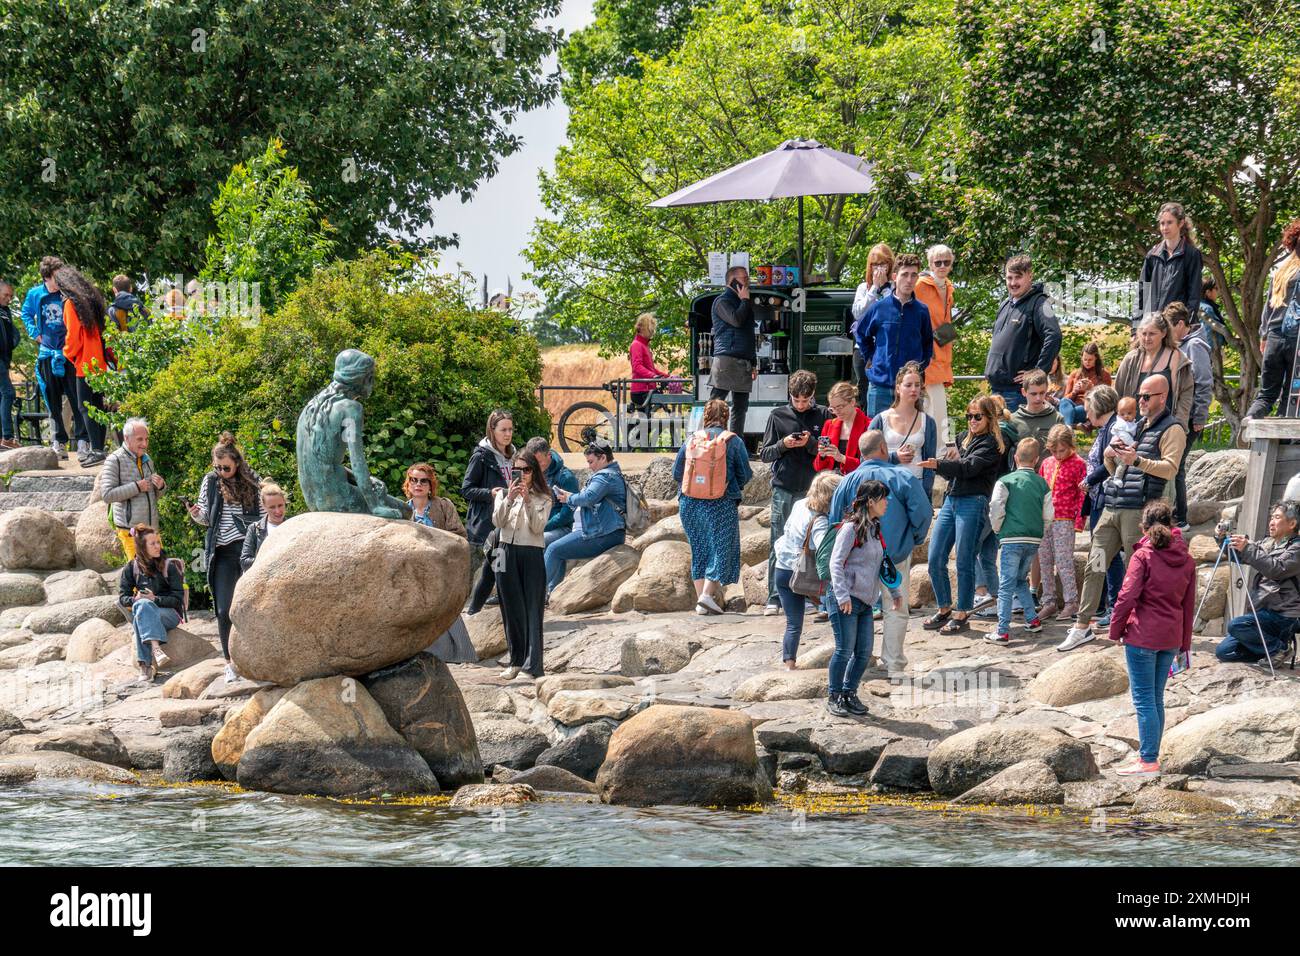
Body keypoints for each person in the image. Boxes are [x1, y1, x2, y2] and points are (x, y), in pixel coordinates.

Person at [1060, 374, 1186, 652]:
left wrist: (1137, 460)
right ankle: (1082, 626)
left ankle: (1137, 625)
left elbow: (1170, 469)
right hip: (1112, 505)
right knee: (1095, 565)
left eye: (1146, 396)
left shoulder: (1172, 428)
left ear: (1162, 397)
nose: (1140, 401)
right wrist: (1110, 454)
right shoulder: (1134, 425)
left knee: (1135, 570)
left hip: (1139, 510)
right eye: (1140, 395)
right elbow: (1113, 463)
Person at [830, 430, 932, 676]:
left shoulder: (847, 481)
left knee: (856, 609)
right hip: (894, 555)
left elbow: (835, 521)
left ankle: (858, 663)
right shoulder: (902, 477)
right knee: (895, 607)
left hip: (855, 562)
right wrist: (914, 539)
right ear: (884, 449)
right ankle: (893, 663)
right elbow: (923, 512)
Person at [1108, 500, 1196, 776]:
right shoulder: (1188, 558)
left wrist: (1115, 629)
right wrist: (1184, 644)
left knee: (1145, 700)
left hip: (1142, 636)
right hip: (1169, 638)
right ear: (1172, 524)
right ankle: (1150, 756)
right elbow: (1188, 605)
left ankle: (1147, 760)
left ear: (1143, 526)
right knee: (1156, 699)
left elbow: (1127, 596)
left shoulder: (1142, 556)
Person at [920, 394, 1006, 634]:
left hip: (973, 502)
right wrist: (945, 464)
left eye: (977, 416)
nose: (972, 420)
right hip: (952, 500)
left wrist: (940, 465)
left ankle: (962, 613)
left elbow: (969, 469)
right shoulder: (961, 439)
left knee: (965, 558)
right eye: (969, 416)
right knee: (935, 556)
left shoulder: (991, 444)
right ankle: (945, 607)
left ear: (989, 418)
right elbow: (954, 473)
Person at [187, 432, 264, 682]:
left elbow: (265, 511)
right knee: (223, 609)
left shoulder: (252, 479)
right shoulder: (210, 482)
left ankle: (258, 657)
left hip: (247, 549)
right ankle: (229, 661)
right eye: (217, 467)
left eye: (226, 467)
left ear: (237, 463)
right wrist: (196, 513)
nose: (221, 471)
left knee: (252, 606)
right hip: (222, 553)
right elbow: (207, 519)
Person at [826, 480, 905, 717]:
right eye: (883, 498)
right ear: (870, 501)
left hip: (865, 601)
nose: (887, 503)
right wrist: (842, 596)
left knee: (863, 652)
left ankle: (849, 693)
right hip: (846, 599)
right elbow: (835, 563)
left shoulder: (874, 527)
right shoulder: (850, 528)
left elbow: (883, 563)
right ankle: (834, 695)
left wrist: (895, 592)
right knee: (844, 650)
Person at [758, 369, 829, 614]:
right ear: (790, 394)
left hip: (813, 490)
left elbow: (825, 451)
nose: (800, 405)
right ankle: (775, 596)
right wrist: (783, 444)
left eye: (805, 400)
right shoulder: (777, 415)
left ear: (812, 395)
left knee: (811, 543)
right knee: (778, 540)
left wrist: (809, 442)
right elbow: (765, 454)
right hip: (784, 487)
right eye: (796, 399)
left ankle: (810, 594)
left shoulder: (823, 413)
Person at [673, 398, 752, 615]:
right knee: (720, 549)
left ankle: (702, 601)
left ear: (704, 417)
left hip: (689, 503)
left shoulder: (692, 439)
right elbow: (745, 473)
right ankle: (706, 597)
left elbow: (676, 472)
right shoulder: (733, 441)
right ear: (726, 417)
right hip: (720, 502)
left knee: (699, 549)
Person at [1216, 501, 1300, 665]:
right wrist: (1223, 539)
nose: (1271, 522)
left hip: (1283, 615)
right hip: (1264, 613)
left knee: (1236, 626)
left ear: (1292, 523)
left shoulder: (1297, 548)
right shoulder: (1269, 543)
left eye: (1277, 517)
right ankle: (1270, 651)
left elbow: (1276, 569)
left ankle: (1279, 649)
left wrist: (1247, 548)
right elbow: (1239, 557)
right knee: (1224, 652)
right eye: (1271, 517)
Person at [772, 471, 841, 668]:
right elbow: (824, 552)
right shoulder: (820, 521)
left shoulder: (799, 504)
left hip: (783, 568)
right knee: (839, 613)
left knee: (793, 623)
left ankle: (789, 664)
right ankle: (843, 653)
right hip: (804, 573)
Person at [493, 448, 552, 680]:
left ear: (534, 472)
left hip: (531, 554)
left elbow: (538, 528)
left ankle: (533, 665)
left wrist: (527, 500)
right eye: (517, 470)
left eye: (526, 470)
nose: (522, 474)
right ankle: (515, 660)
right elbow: (497, 521)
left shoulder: (544, 498)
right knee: (509, 609)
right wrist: (509, 498)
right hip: (504, 550)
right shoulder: (503, 494)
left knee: (532, 609)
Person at [21, 255, 87, 460]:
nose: (56, 283)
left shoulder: (68, 293)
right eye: (52, 279)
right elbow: (25, 313)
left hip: (69, 353)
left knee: (77, 399)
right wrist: (34, 332)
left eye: (59, 278)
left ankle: (83, 441)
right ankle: (59, 442)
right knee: (52, 400)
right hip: (47, 353)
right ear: (45, 278)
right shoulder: (35, 294)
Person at [987, 438, 1052, 643]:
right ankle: (1032, 620)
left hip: (1011, 537)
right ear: (1037, 460)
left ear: (1015, 458)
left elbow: (996, 507)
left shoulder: (1005, 481)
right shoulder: (1043, 483)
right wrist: (1040, 531)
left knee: (1006, 584)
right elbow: (1049, 514)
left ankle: (1002, 630)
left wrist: (998, 529)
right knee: (1019, 581)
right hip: (1033, 539)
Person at [854, 253, 933, 416]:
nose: (909, 280)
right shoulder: (879, 307)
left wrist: (918, 368)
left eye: (913, 275)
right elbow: (861, 333)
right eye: (905, 275)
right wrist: (872, 360)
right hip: (880, 386)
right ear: (895, 277)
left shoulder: (922, 311)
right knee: (876, 438)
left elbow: (927, 345)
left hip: (910, 389)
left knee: (911, 438)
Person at [545, 438, 627, 594]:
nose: (589, 466)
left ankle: (531, 593)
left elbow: (588, 498)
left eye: (591, 462)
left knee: (554, 549)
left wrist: (570, 497)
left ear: (603, 457)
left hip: (603, 535)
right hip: (607, 532)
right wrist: (570, 497)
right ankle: (550, 593)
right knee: (558, 548)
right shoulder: (612, 474)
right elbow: (587, 499)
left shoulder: (605, 476)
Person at [984, 254, 1061, 413]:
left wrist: (1039, 372)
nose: (1013, 283)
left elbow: (1054, 336)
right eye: (1009, 278)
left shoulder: (1040, 303)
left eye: (1018, 277)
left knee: (1016, 438)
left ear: (1030, 275)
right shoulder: (1005, 304)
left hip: (1017, 393)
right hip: (995, 390)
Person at [1080, 386, 1127, 628]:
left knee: (1108, 556)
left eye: (1089, 408)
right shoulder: (1105, 428)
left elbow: (1111, 462)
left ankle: (1114, 604)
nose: (1086, 414)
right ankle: (1102, 603)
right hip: (1099, 499)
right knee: (1101, 556)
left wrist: (1089, 480)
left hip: (1107, 498)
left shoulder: (1115, 428)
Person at [1244, 218, 1300, 419]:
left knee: (1266, 394)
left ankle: (1249, 421)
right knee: (1292, 393)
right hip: (1296, 338)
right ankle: (1285, 440)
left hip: (1273, 338)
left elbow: (1269, 306)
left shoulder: (1281, 270)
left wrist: (1264, 336)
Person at [56, 265, 111, 466]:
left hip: (85, 363)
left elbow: (73, 338)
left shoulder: (71, 304)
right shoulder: (92, 300)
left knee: (85, 407)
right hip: (100, 363)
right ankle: (100, 448)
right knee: (98, 406)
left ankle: (96, 450)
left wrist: (67, 354)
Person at [462, 410, 514, 613]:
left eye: (510, 429)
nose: (508, 434)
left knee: (495, 569)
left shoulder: (514, 454)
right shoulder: (481, 456)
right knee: (497, 567)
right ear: (492, 430)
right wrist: (490, 493)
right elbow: (466, 489)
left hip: (511, 520)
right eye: (503, 430)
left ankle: (475, 610)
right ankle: (480, 610)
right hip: (490, 522)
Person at [119, 524, 185, 682]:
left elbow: (178, 599)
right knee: (141, 606)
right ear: (142, 547)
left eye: (158, 542)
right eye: (153, 543)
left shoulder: (169, 566)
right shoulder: (131, 567)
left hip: (169, 614)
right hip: (146, 612)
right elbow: (122, 597)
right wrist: (135, 599)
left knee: (140, 614)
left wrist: (155, 599)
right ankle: (156, 649)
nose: (157, 546)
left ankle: (145, 666)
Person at [1166, 302, 1212, 529]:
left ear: (1181, 324)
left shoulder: (1195, 346)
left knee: (1176, 465)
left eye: (1169, 327)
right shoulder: (1180, 345)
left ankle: (1179, 516)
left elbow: (1204, 383)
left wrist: (1200, 417)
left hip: (1191, 417)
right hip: (1178, 415)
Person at [1037, 424, 1087, 620]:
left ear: (1071, 445)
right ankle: (1048, 601)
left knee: (1064, 561)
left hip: (1065, 521)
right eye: (1054, 450)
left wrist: (1079, 521)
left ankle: (1071, 602)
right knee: (1045, 561)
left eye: (1062, 450)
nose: (1057, 454)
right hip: (1045, 521)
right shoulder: (1047, 463)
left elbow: (1083, 495)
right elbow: (1040, 489)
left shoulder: (1079, 464)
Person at [867, 361, 937, 502]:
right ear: (898, 388)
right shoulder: (880, 420)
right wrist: (894, 457)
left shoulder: (928, 422)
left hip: (916, 485)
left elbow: (930, 464)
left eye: (917, 385)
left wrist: (926, 495)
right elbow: (866, 459)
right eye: (908, 385)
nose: (914, 389)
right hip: (886, 486)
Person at [1114, 311, 1194, 431]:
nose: (1147, 338)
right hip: (1131, 427)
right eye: (1143, 333)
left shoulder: (1176, 357)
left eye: (1152, 334)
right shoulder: (1131, 359)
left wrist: (1179, 426)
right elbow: (1118, 393)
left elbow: (1185, 395)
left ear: (1163, 333)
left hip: (1164, 427)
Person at [99, 417, 165, 561]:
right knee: (140, 577)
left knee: (160, 572)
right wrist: (136, 487)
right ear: (126, 438)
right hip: (131, 531)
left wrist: (160, 487)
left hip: (152, 530)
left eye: (147, 439)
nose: (145, 444)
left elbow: (153, 496)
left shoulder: (147, 459)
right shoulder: (114, 460)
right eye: (140, 439)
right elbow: (107, 495)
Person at [915, 244, 956, 447]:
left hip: (942, 352)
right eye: (937, 262)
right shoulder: (920, 285)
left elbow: (945, 322)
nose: (941, 266)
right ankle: (934, 448)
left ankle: (937, 449)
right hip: (925, 354)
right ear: (930, 263)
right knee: (930, 404)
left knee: (937, 405)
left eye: (946, 262)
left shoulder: (948, 287)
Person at [709, 265, 757, 436]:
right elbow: (736, 320)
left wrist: (753, 362)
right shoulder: (722, 301)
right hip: (727, 360)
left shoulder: (742, 301)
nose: (747, 282)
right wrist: (744, 300)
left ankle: (736, 443)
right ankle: (707, 440)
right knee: (716, 405)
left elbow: (749, 333)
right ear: (732, 280)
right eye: (744, 279)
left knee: (741, 407)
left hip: (743, 361)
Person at [1137, 202, 1203, 324]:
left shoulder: (1192, 254)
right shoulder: (1152, 255)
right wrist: (1136, 328)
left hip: (1178, 327)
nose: (1165, 227)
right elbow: (1142, 293)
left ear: (1181, 223)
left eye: (1169, 222)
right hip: (1153, 327)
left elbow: (1194, 296)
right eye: (1162, 223)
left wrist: (1186, 325)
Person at [850, 243, 895, 402]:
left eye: (882, 264)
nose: (879, 269)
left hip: (886, 347)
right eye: (875, 264)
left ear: (890, 265)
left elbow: (894, 311)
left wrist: (885, 288)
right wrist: (874, 289)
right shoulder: (864, 288)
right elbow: (858, 313)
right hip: (863, 349)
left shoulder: (895, 287)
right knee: (863, 389)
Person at [524, 436, 579, 547]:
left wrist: (541, 527)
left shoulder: (565, 478)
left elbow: (567, 515)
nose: (535, 467)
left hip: (561, 528)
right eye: (532, 463)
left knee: (536, 542)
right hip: (535, 523)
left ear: (549, 455)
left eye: (539, 462)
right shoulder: (531, 472)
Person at [1007, 369, 1064, 467]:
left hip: (1049, 476)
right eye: (1033, 394)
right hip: (1022, 477)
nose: (1038, 398)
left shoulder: (1057, 419)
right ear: (1024, 392)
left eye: (1042, 393)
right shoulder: (1013, 420)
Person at [813, 381, 868, 476]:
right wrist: (822, 456)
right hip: (831, 481)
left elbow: (869, 465)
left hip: (855, 480)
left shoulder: (868, 425)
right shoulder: (829, 424)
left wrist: (842, 458)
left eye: (840, 407)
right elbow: (818, 467)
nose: (836, 412)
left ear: (852, 402)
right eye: (832, 408)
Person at [402, 462, 465, 536]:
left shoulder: (444, 506)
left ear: (430, 485)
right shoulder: (402, 511)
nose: (418, 484)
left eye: (424, 481)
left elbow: (460, 535)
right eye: (414, 480)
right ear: (408, 484)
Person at [628, 313, 674, 413]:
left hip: (647, 389)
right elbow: (637, 366)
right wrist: (652, 376)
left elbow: (651, 369)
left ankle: (633, 428)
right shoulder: (637, 345)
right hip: (641, 390)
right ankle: (631, 428)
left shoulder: (644, 345)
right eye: (651, 329)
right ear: (644, 329)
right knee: (646, 424)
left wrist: (665, 376)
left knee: (646, 423)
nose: (652, 332)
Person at [240, 481, 291, 571]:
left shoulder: (294, 525)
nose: (278, 511)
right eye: (272, 507)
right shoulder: (254, 529)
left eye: (280, 505)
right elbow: (245, 562)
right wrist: (270, 560)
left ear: (284, 502)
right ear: (263, 506)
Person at [1060, 342, 1111, 428]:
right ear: (1082, 358)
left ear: (1096, 358)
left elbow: (1106, 400)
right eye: (1085, 359)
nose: (1087, 362)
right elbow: (1065, 400)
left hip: (1091, 408)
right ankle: (1071, 427)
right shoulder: (1074, 374)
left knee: (1075, 410)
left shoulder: (1104, 375)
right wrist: (1074, 392)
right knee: (1064, 402)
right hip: (1073, 406)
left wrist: (1091, 389)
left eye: (1090, 360)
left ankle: (1067, 428)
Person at [0, 282, 17, 448]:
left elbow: (12, 333)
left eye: (11, 296)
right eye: (6, 295)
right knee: (8, 393)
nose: (9, 299)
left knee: (2, 395)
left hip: (5, 359)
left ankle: (3, 439)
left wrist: (13, 342)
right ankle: (7, 437)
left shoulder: (6, 311)